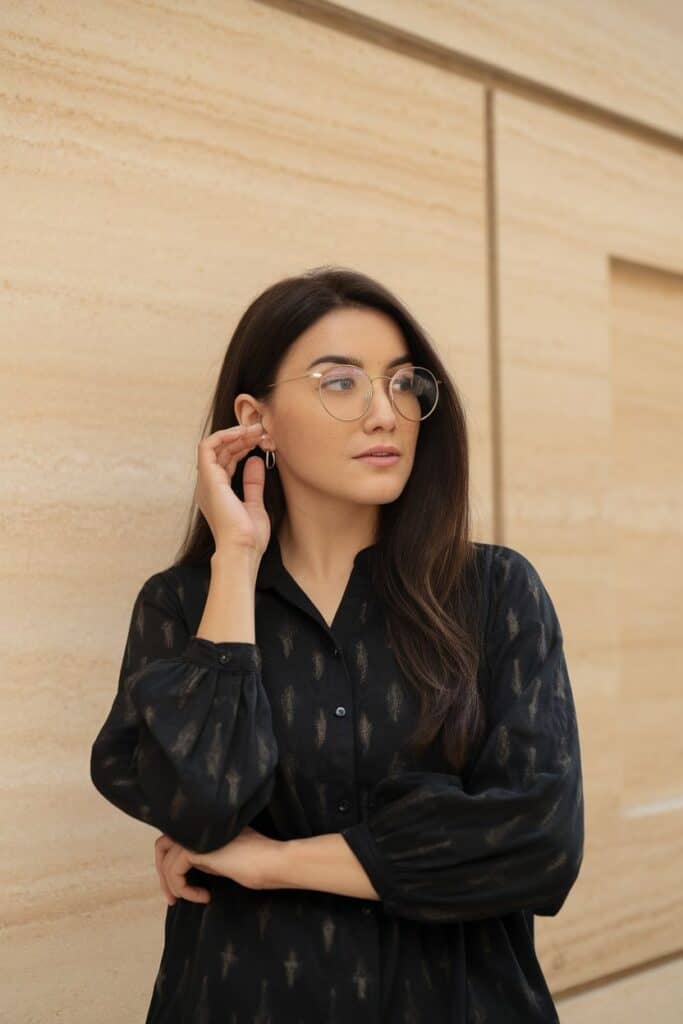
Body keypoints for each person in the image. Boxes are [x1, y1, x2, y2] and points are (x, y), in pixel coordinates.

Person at [90, 265, 584, 1023]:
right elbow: (204, 803)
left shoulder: (494, 593)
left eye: (401, 384)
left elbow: (536, 841)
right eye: (341, 383)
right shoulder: (181, 604)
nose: (384, 413)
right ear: (256, 418)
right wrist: (235, 559)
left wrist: (270, 861)